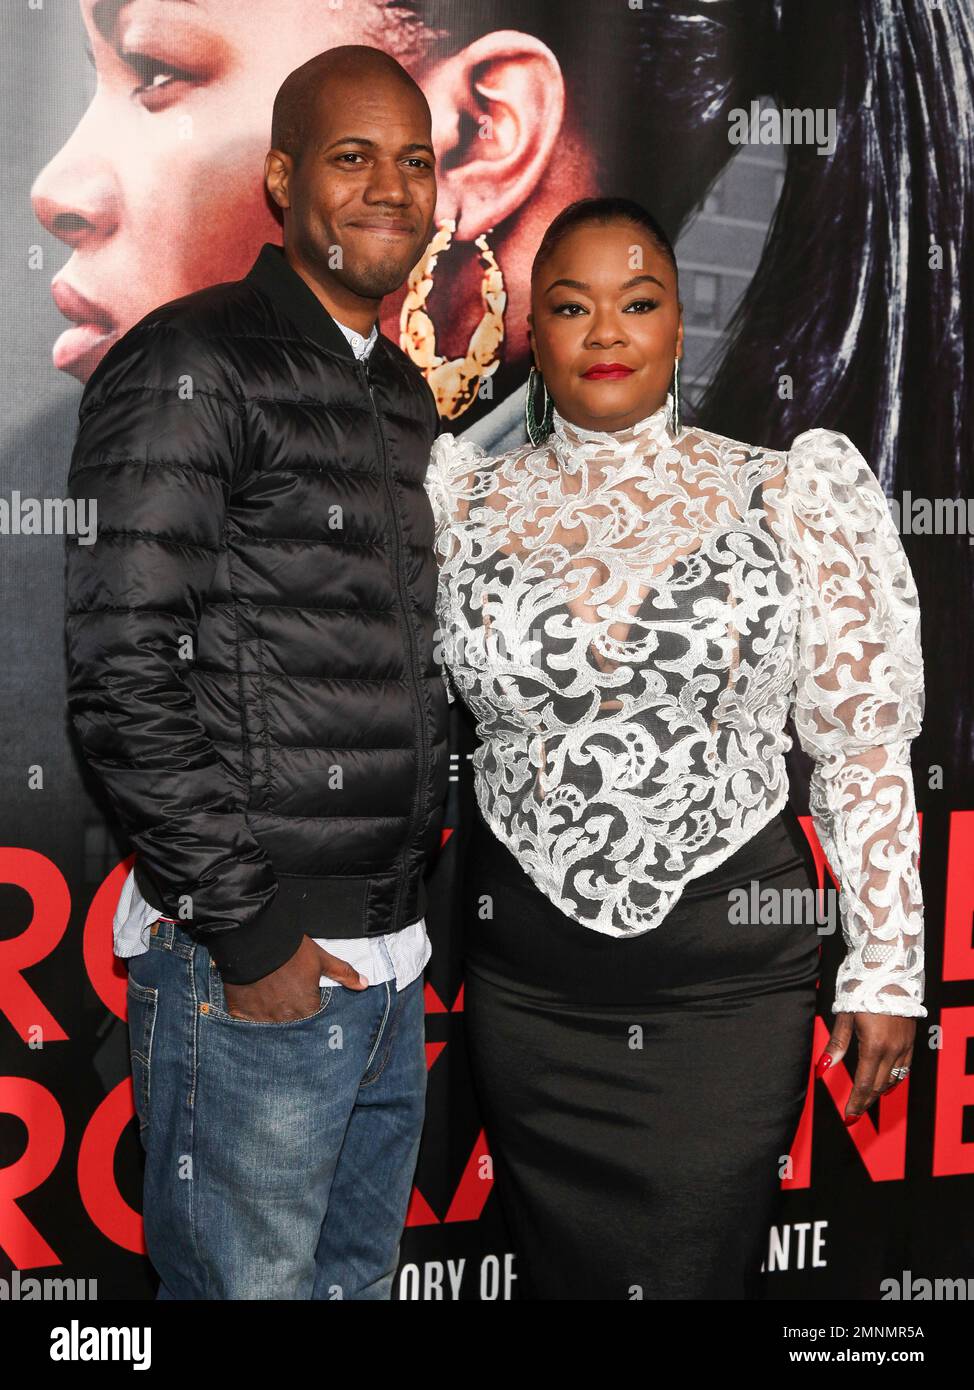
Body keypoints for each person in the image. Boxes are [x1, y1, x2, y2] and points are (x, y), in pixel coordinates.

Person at [425, 197, 926, 1300]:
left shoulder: (785, 491)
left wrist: (884, 962)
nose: (605, 331)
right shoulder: (458, 501)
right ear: (534, 335)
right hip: (531, 996)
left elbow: (859, 746)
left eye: (636, 302)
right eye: (569, 306)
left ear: (677, 329)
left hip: (723, 988)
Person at [64, 45, 447, 1300]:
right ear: (283, 181)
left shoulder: (396, 392)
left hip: (387, 961)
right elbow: (123, 666)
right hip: (261, 968)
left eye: (412, 160)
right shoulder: (194, 358)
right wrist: (247, 928)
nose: (389, 188)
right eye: (351, 158)